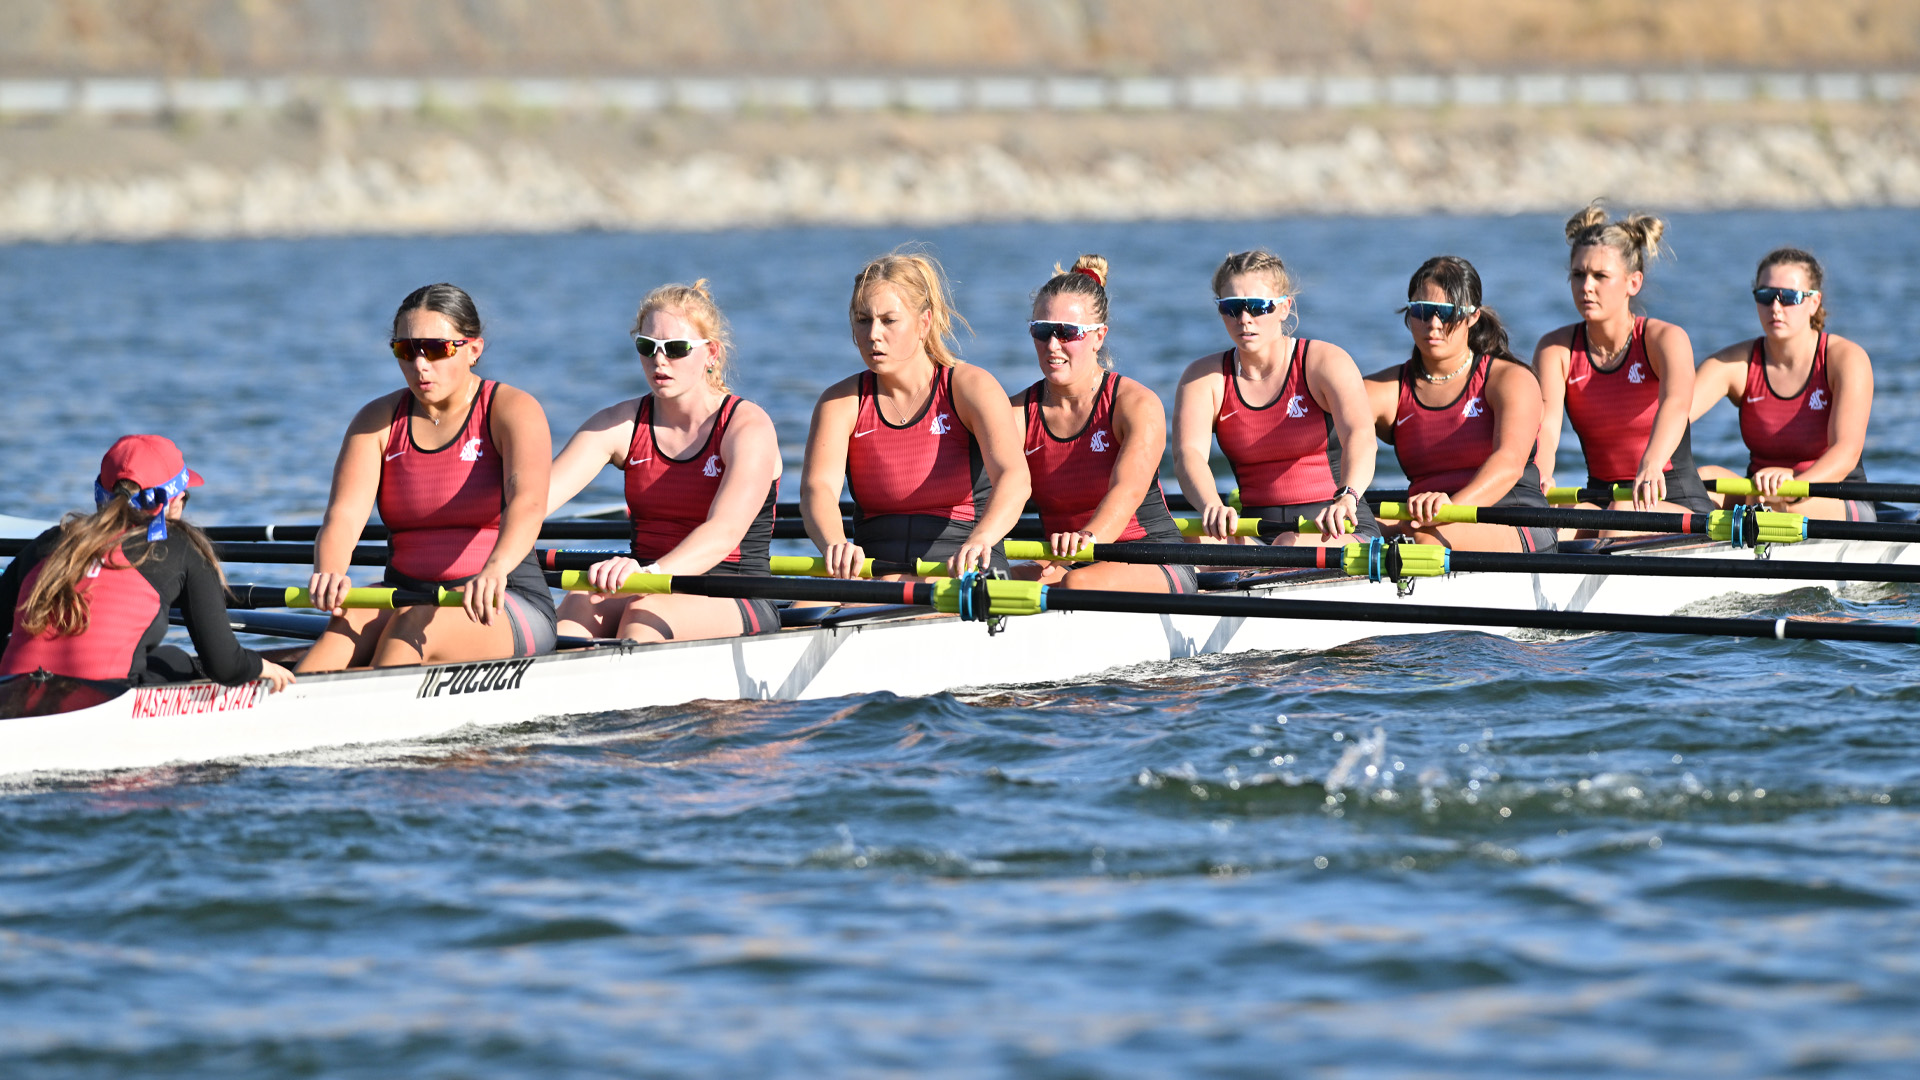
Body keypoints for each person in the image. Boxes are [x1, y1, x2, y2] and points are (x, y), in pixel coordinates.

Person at [299, 283, 557, 671]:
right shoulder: (376, 420)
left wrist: (495, 568)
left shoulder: (513, 409)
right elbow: (344, 516)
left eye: (435, 348)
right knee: (342, 628)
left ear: (474, 349)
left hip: (500, 599)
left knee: (413, 624)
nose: (420, 364)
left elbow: (529, 502)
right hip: (406, 594)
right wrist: (330, 572)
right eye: (406, 350)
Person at [547, 280, 783, 641]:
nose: (659, 360)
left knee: (645, 615)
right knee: (577, 607)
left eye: (675, 349)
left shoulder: (747, 426)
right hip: (650, 582)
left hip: (736, 593)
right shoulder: (619, 424)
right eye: (647, 347)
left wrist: (651, 575)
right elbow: (533, 502)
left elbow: (724, 533)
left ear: (711, 353)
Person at [801, 249, 1030, 580]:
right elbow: (817, 489)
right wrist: (835, 543)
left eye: (889, 321)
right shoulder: (840, 401)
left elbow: (1015, 478)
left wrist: (981, 538)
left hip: (962, 567)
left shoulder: (970, 387)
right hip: (876, 571)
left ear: (924, 322)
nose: (873, 335)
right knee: (803, 614)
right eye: (863, 320)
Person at [0, 435, 294, 691]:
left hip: (15, 693)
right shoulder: (180, 548)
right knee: (174, 658)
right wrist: (259, 667)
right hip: (104, 701)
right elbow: (225, 666)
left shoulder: (47, 542)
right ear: (174, 501)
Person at [1172, 249, 1378, 547]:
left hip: (1335, 526)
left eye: (1257, 306)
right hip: (1256, 528)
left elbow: (1361, 436)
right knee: (1193, 541)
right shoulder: (1203, 377)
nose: (1244, 319)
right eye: (1232, 307)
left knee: (1286, 544)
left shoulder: (1324, 362)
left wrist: (1348, 496)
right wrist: (1210, 506)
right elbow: (1188, 455)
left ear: (1284, 307)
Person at [1011, 254, 1192, 593]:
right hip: (1064, 562)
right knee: (994, 582)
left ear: (1098, 336)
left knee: (1079, 582)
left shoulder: (1135, 404)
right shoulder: (1016, 413)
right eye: (1042, 331)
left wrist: (1085, 540)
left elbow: (1127, 490)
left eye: (1067, 333)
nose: (1052, 345)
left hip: (1151, 559)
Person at [1364, 255, 1556, 553]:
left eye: (1447, 313)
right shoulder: (1386, 389)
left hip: (1515, 520)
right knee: (1353, 533)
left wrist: (1450, 508)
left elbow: (1509, 463)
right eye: (1422, 311)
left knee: (1422, 539)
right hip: (1426, 522)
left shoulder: (1509, 379)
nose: (1434, 324)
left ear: (1472, 316)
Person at [1533, 203, 1714, 517]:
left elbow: (1676, 404)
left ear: (1634, 282)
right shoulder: (1555, 348)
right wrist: (1541, 474)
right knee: (1556, 528)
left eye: (1600, 276)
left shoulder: (1664, 339)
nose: (1586, 286)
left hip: (1671, 495)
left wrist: (1652, 462)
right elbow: (1546, 425)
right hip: (1602, 498)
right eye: (1578, 275)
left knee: (1619, 512)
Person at [1691, 248, 1874, 521]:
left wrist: (1793, 487)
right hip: (1760, 494)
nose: (1775, 308)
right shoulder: (1734, 363)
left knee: (1768, 502)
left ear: (1814, 302)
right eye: (1765, 296)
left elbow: (1845, 453)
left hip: (1837, 497)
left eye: (1789, 297)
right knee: (1700, 481)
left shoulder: (1845, 359)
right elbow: (1673, 417)